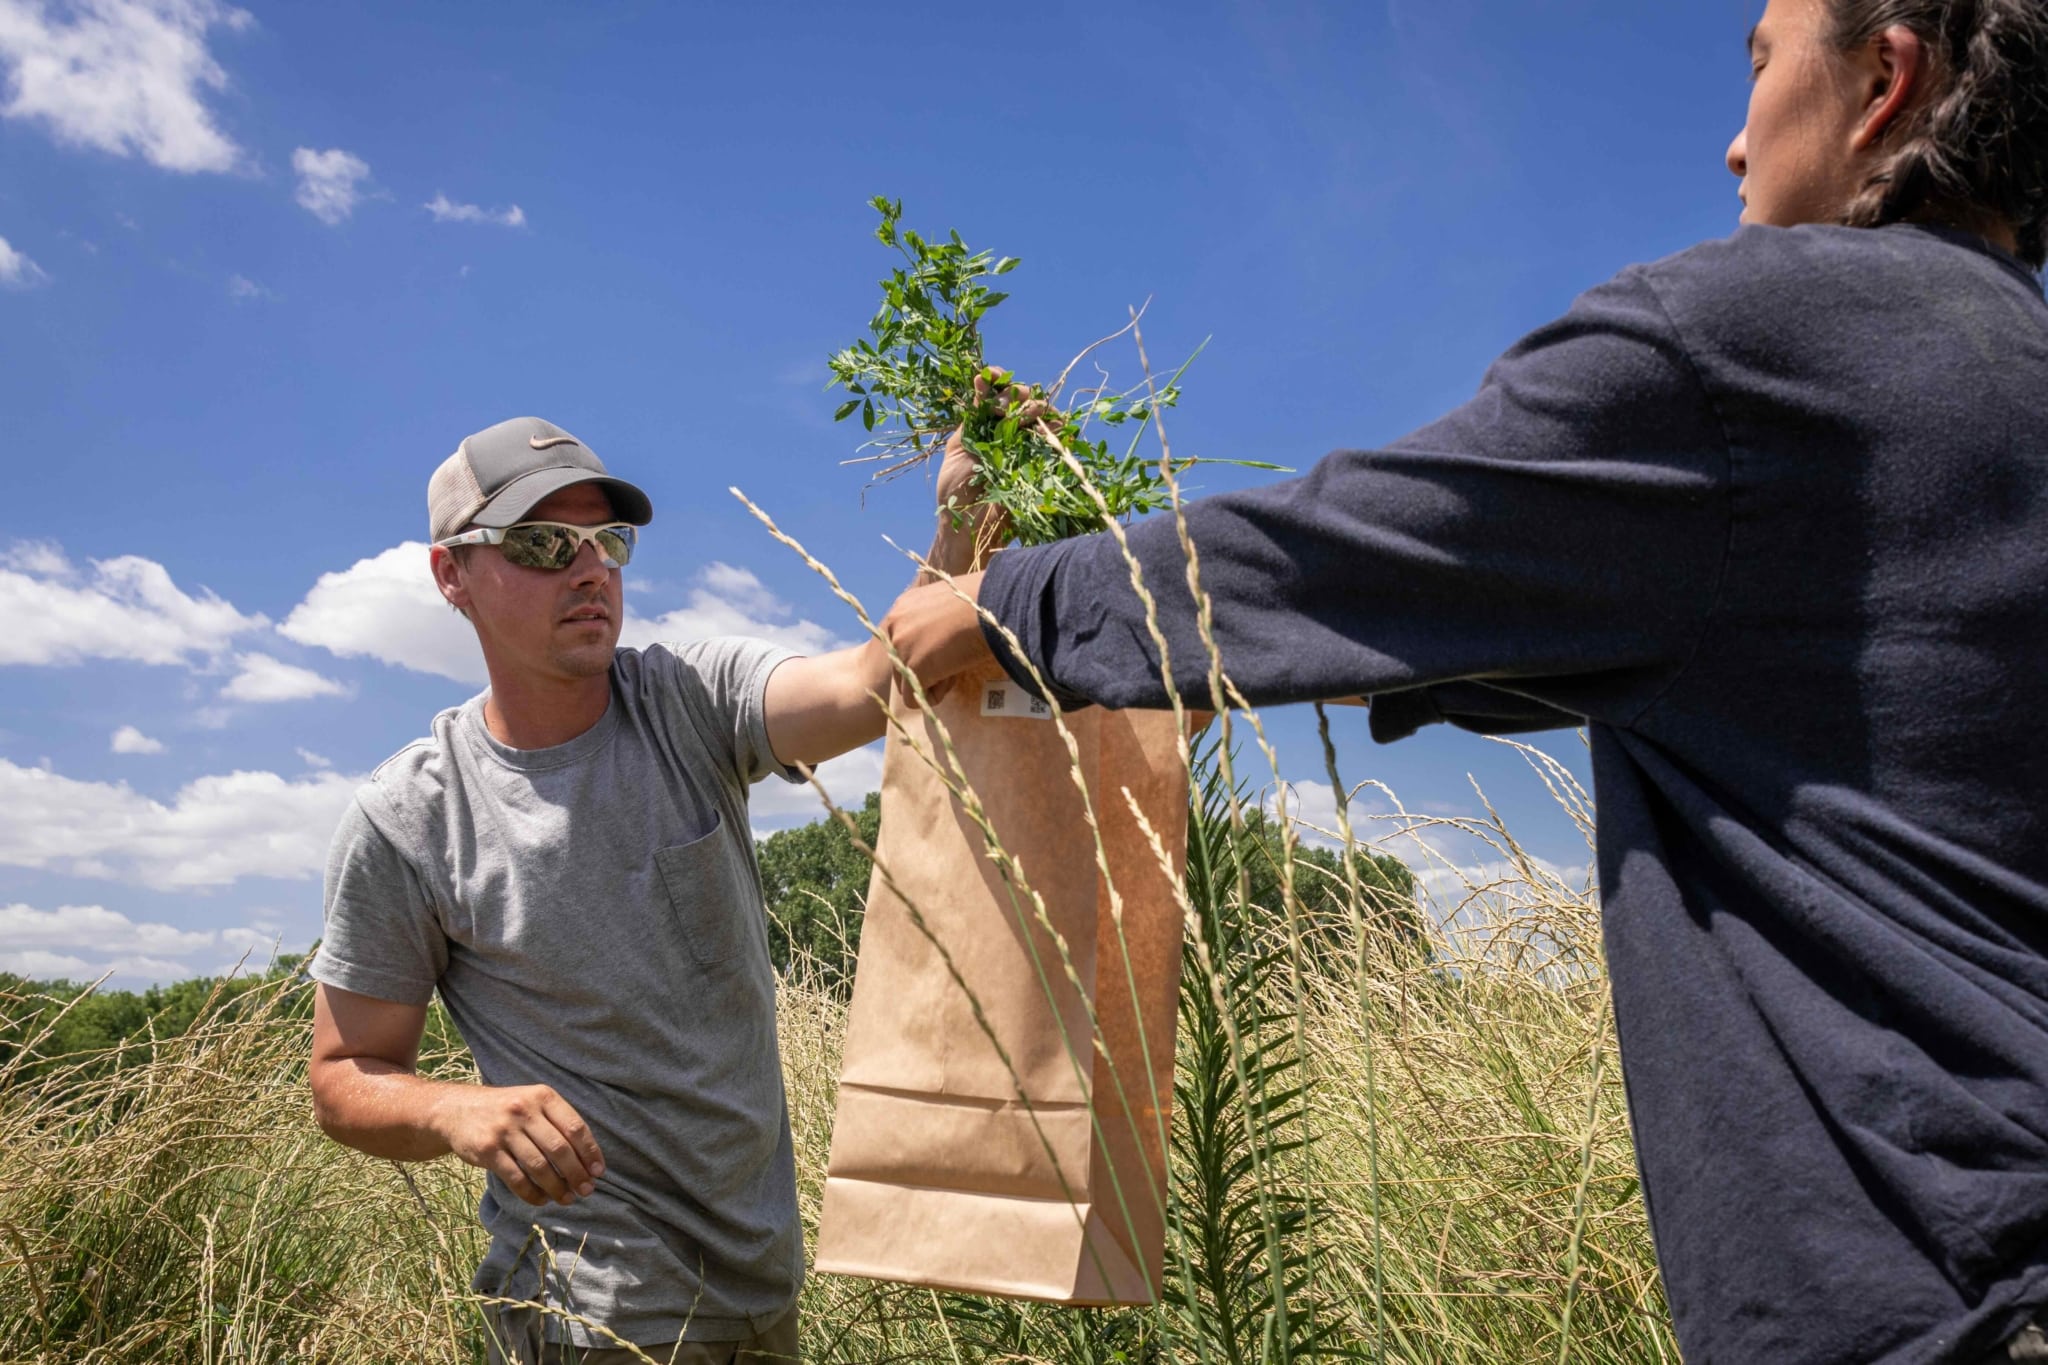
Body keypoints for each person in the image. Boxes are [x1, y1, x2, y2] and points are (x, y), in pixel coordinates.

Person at [881, 0, 2048, 1361]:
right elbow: (1688, 657)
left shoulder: (1739, 350)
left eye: (1760, 67)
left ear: (1883, 83)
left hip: (1936, 1290)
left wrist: (1012, 600)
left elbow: (1374, 544)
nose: (1733, 146)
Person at [307, 415, 983, 1363]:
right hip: (588, 1312)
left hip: (762, 1285)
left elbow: (876, 681)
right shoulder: (410, 815)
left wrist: (964, 526)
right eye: (542, 544)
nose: (589, 570)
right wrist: (457, 1110)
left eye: (608, 542)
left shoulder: (689, 701)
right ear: (450, 575)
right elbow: (343, 1078)